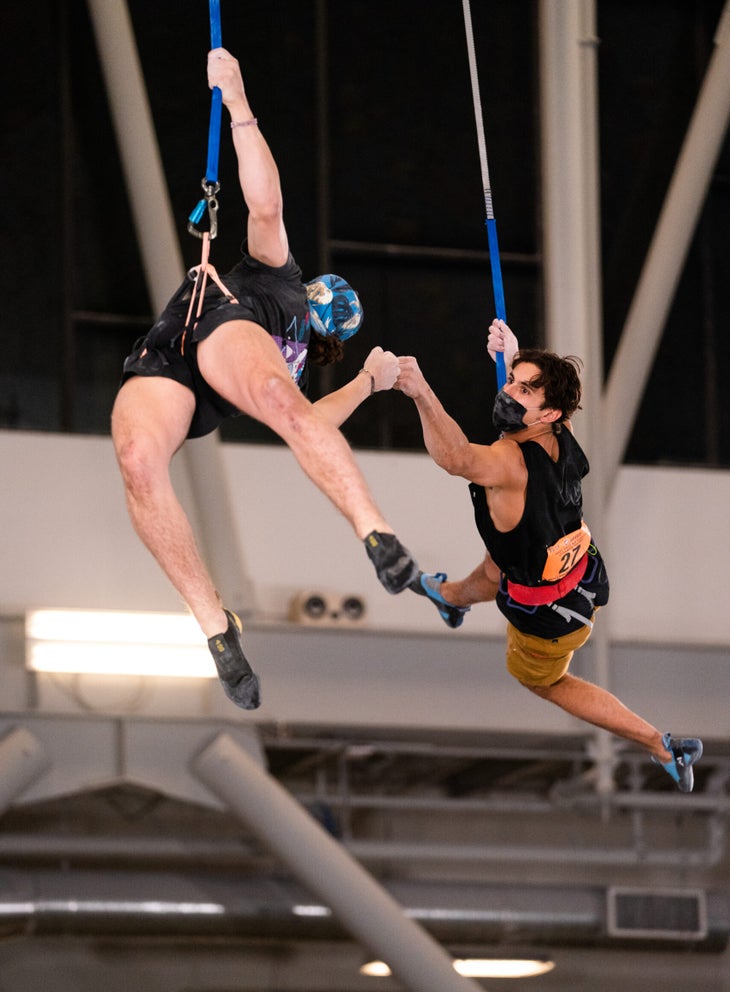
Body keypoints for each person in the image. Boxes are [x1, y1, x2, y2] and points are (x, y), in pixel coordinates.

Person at [111, 48, 418, 711]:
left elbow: (310, 424)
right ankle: (217, 629)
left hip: (223, 360)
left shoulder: (298, 359)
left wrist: (368, 382)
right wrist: (239, 108)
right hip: (178, 345)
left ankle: (377, 535)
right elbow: (265, 205)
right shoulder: (278, 278)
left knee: (285, 403)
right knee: (138, 463)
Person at [396, 319, 703, 793]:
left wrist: (419, 391)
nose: (510, 392)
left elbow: (455, 457)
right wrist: (514, 354)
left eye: (523, 391)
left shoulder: (507, 463)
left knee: (544, 682)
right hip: (581, 568)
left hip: (553, 617)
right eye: (513, 382)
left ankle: (661, 745)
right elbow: (533, 403)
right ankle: (452, 597)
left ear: (547, 414)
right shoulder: (563, 435)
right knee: (499, 560)